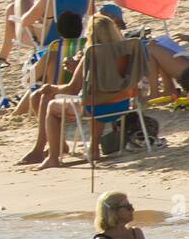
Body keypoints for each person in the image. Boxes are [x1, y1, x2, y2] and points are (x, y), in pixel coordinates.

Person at [20, 13, 132, 169]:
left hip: (95, 106)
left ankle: (53, 157)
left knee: (51, 105)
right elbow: (108, 81)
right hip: (122, 104)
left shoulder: (91, 54)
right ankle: (93, 149)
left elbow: (71, 89)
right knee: (97, 96)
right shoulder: (127, 51)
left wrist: (50, 87)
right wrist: (78, 70)